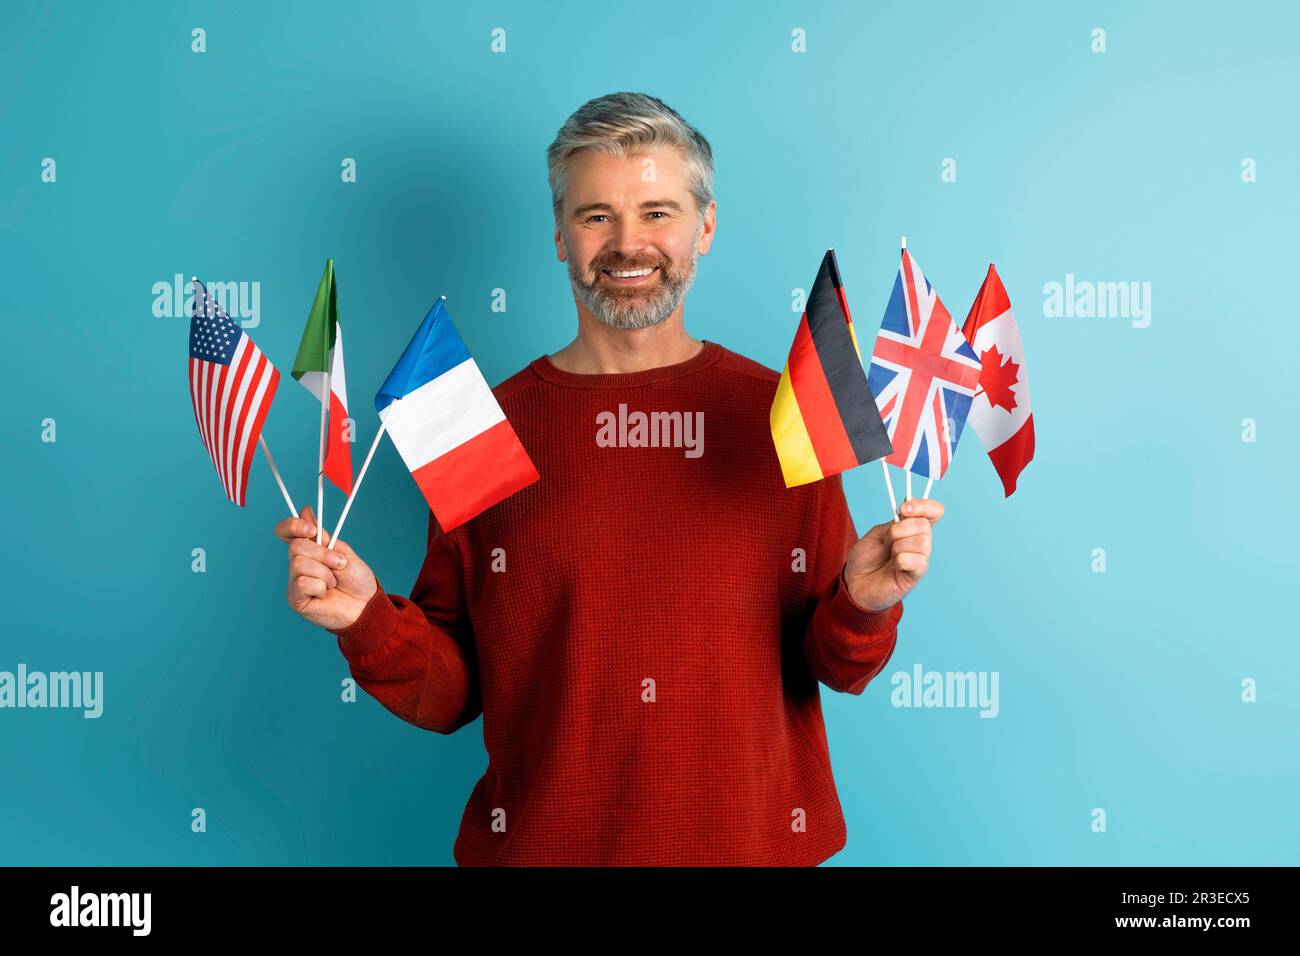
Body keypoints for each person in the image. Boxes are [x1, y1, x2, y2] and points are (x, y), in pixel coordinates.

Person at [274, 91, 943, 866]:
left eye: (657, 212)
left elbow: (835, 665)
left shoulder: (783, 417)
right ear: (560, 235)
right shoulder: (471, 428)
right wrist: (367, 621)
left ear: (706, 227)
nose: (629, 244)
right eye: (597, 216)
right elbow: (453, 692)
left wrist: (864, 602)